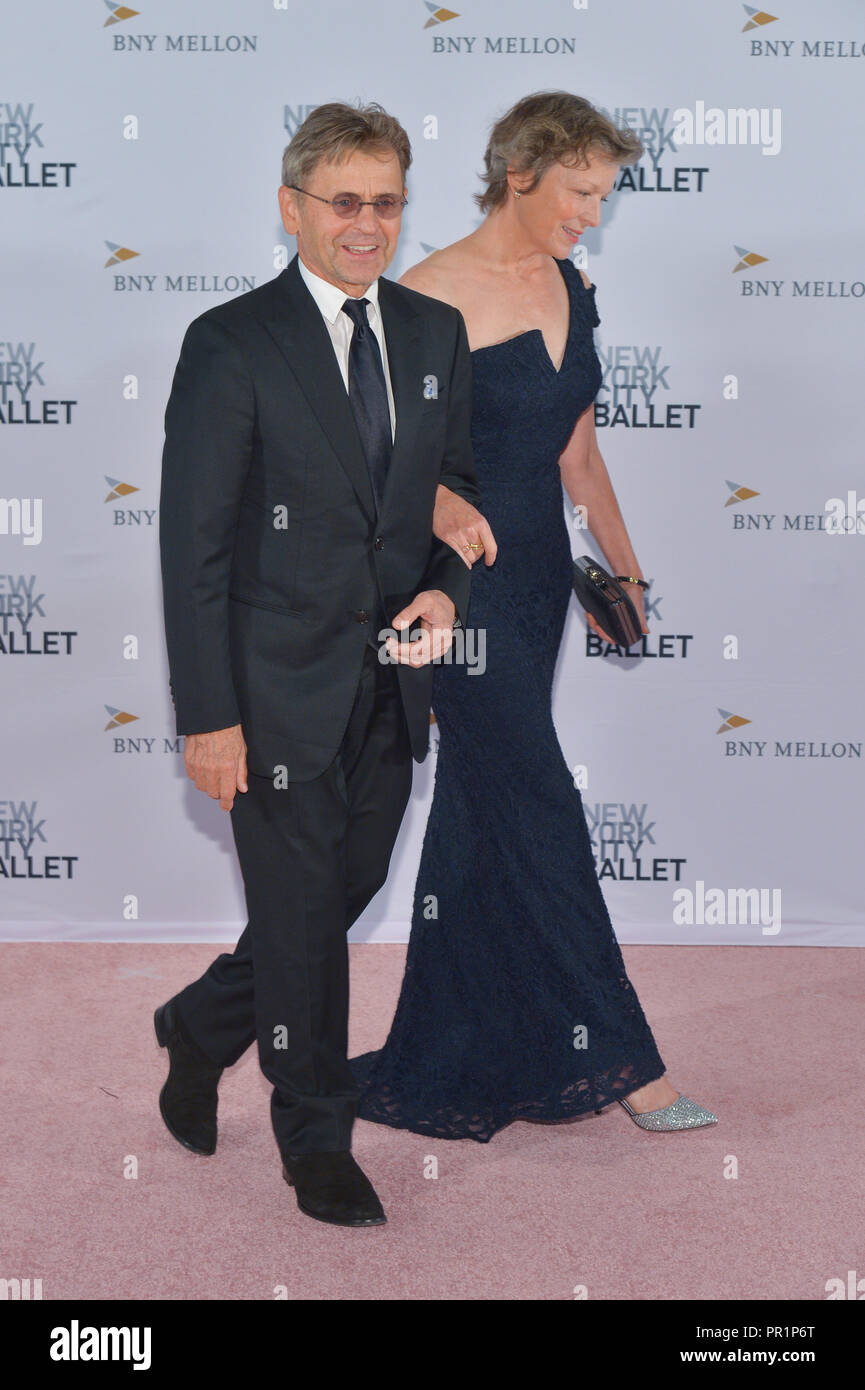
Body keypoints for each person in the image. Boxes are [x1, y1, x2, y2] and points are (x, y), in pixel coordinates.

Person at [350, 91, 717, 1140]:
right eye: (580, 192)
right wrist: (437, 508)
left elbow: (578, 456)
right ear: (519, 174)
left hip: (539, 578)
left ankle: (457, 1045)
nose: (592, 214)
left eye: (605, 195)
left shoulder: (572, 286)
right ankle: (628, 1062)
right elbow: (374, 460)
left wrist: (629, 575)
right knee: (541, 802)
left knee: (482, 814)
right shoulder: (424, 296)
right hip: (453, 591)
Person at [156, 102, 479, 1226]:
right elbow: (192, 545)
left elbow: (459, 499)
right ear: (291, 206)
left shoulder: (435, 334)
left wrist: (448, 585)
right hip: (271, 690)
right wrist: (209, 715)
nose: (366, 223)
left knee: (340, 892)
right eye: (343, 200)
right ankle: (315, 1140)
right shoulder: (232, 342)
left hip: (391, 687)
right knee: (303, 921)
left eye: (385, 201)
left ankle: (198, 1025)